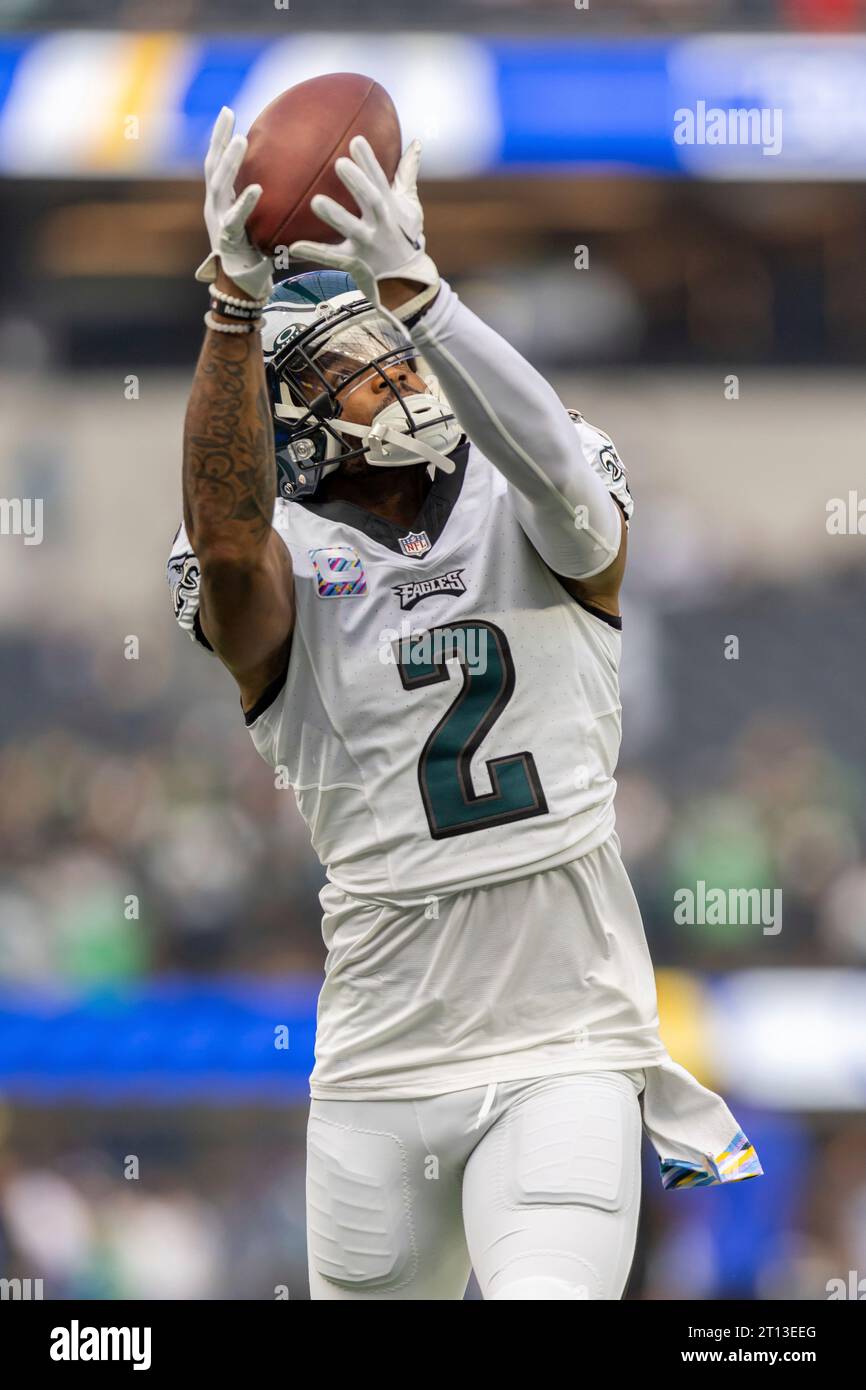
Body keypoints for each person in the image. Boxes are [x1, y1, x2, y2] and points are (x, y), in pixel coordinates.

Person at [168, 107, 761, 1301]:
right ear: (288, 427)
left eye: (393, 355)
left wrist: (421, 294)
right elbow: (229, 560)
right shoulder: (271, 553)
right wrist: (232, 309)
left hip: (563, 1047)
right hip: (377, 1059)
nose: (392, 376)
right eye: (353, 368)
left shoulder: (528, 490)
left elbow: (560, 478)